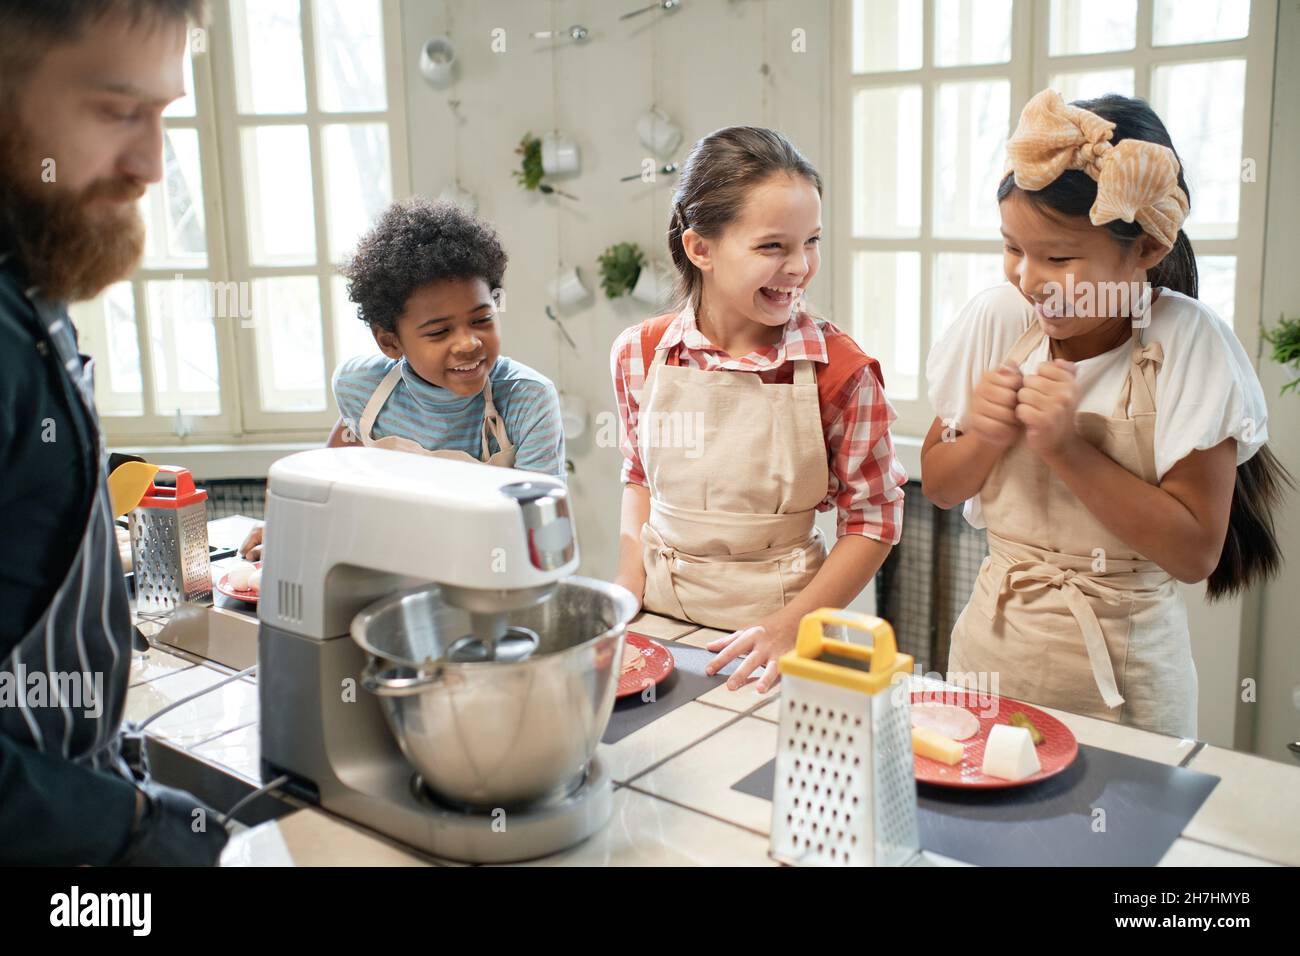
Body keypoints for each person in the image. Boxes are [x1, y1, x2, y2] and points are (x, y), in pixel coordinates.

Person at [922, 90, 1289, 737]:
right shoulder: (998, 319)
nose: (1028, 279)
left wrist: (1068, 451)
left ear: (1144, 249)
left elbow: (1194, 550)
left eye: (1059, 259)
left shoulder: (1187, 342)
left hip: (1128, 682)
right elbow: (944, 486)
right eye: (1014, 248)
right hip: (992, 653)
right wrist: (983, 434)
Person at [0, 0, 228, 864]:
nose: (151, 165)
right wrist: (132, 827)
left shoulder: (33, 287)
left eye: (163, 114)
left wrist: (120, 781)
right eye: (115, 110)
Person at [610, 126, 907, 694]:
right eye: (774, 246)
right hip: (658, 626)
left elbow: (874, 520)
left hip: (779, 641)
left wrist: (788, 628)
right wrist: (626, 587)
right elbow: (638, 475)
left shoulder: (840, 371)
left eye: (811, 242)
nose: (799, 267)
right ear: (701, 249)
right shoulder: (639, 354)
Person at [239, 197, 565, 560]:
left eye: (481, 320)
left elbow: (543, 534)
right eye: (440, 332)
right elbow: (339, 465)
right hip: (393, 571)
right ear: (390, 342)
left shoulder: (528, 398)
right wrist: (292, 525)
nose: (469, 343)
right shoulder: (360, 388)